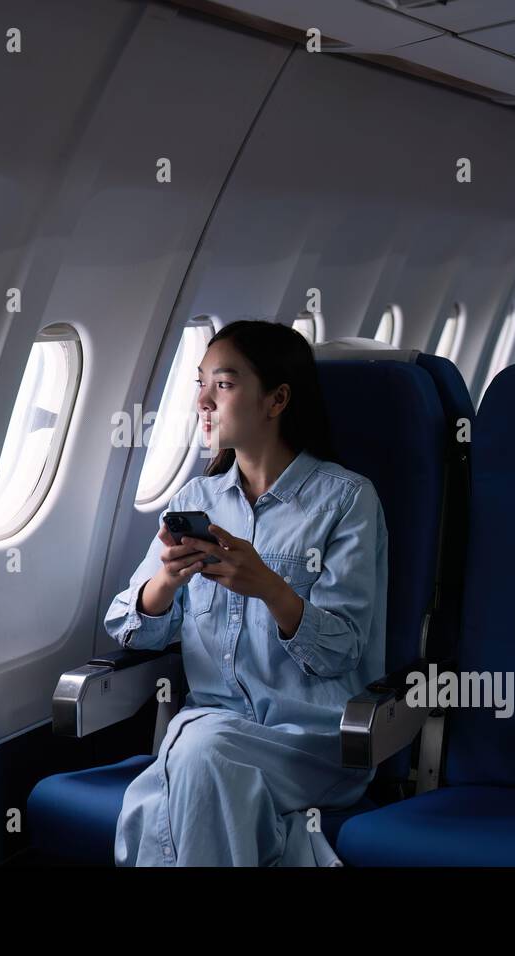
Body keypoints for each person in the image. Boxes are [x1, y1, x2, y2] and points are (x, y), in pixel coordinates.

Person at [105, 319, 388, 866]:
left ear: (276, 399)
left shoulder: (348, 500)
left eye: (225, 384)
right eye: (199, 382)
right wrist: (165, 580)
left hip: (312, 743)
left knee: (195, 764)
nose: (203, 400)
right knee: (206, 761)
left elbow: (344, 650)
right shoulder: (197, 497)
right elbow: (129, 628)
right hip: (211, 734)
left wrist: (272, 589)